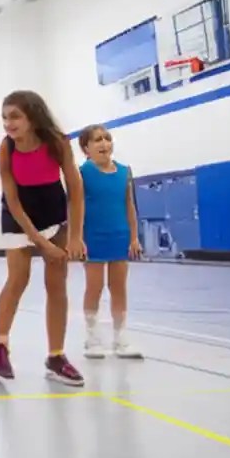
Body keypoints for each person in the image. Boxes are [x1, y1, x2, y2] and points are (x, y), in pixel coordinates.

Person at [0, 90, 87, 386]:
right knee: (17, 279)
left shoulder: (57, 142)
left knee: (56, 284)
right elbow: (13, 199)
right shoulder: (6, 148)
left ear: (33, 116)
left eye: (15, 116)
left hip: (53, 213)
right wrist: (40, 242)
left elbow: (76, 191)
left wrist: (75, 236)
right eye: (5, 117)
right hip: (19, 215)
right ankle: (0, 345)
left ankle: (56, 356)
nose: (8, 123)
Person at [78, 124, 143, 359]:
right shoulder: (82, 173)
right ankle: (92, 337)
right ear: (86, 148)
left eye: (107, 138)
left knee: (119, 288)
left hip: (120, 235)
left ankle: (120, 337)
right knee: (94, 287)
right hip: (93, 236)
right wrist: (77, 238)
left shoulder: (125, 172)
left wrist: (134, 237)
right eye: (97, 140)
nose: (104, 143)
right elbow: (76, 207)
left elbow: (129, 205)